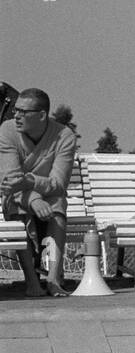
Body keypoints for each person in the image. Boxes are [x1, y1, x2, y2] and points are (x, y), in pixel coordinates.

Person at [0, 88, 78, 297]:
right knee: (17, 209)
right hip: (17, 198)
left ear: (42, 115)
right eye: (15, 110)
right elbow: (9, 180)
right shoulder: (6, 132)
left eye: (23, 112)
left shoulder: (64, 136)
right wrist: (34, 199)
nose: (16, 115)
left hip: (49, 197)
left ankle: (53, 278)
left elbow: (59, 183)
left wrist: (29, 181)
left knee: (57, 204)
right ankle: (32, 281)